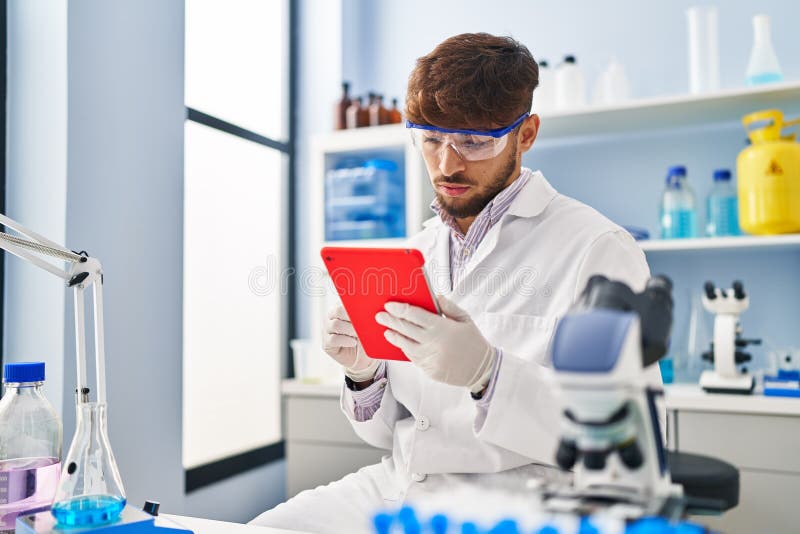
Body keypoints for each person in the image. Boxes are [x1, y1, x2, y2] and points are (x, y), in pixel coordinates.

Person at [251, 32, 658, 533]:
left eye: (473, 142)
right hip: (399, 487)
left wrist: (489, 374)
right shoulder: (417, 251)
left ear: (526, 135)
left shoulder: (598, 248)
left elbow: (631, 442)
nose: (447, 164)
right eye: (431, 139)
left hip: (522, 502)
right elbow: (393, 433)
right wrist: (365, 374)